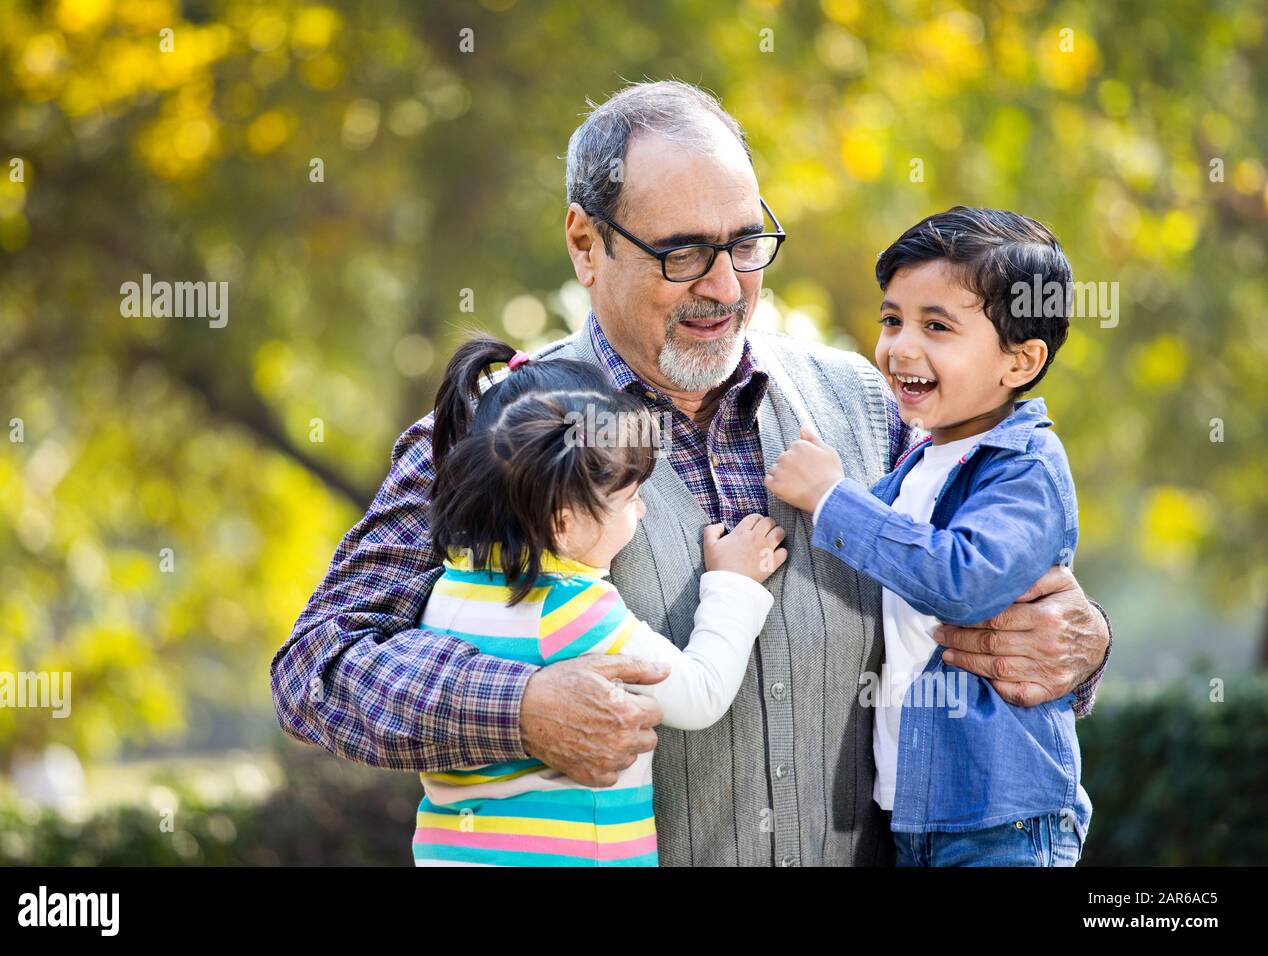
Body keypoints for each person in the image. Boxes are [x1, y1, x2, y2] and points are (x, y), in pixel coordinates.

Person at [271, 80, 1113, 866]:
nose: (725, 286)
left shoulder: (868, 403)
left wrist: (1084, 647)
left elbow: (972, 584)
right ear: (585, 244)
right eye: (682, 253)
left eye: (746, 243)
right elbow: (318, 666)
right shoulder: (504, 432)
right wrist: (522, 710)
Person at [766, 207, 1091, 866]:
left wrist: (831, 497)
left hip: (998, 816)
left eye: (936, 326)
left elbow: (960, 582)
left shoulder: (1024, 467)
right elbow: (865, 559)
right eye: (893, 320)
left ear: (1020, 361)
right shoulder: (918, 459)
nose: (900, 348)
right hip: (909, 810)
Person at [411, 334, 786, 865]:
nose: (642, 513)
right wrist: (735, 583)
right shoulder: (575, 609)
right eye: (630, 499)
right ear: (564, 523)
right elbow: (700, 696)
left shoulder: (448, 589)